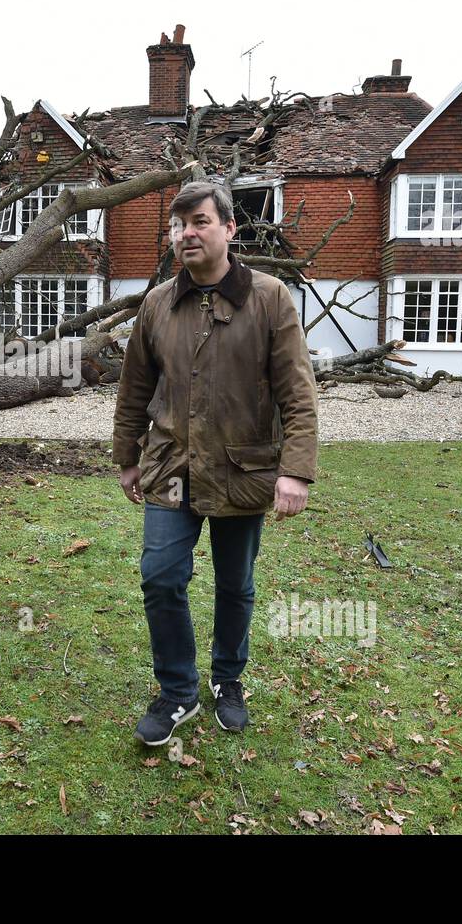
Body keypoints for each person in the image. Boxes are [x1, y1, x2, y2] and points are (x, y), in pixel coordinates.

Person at [112, 180, 318, 745]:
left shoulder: (271, 298)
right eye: (179, 225)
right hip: (171, 470)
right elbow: (133, 390)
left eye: (200, 221)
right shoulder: (157, 304)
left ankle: (228, 680)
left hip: (242, 470)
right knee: (160, 577)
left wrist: (295, 470)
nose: (187, 233)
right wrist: (127, 457)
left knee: (235, 584)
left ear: (229, 228)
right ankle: (178, 692)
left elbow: (297, 393)